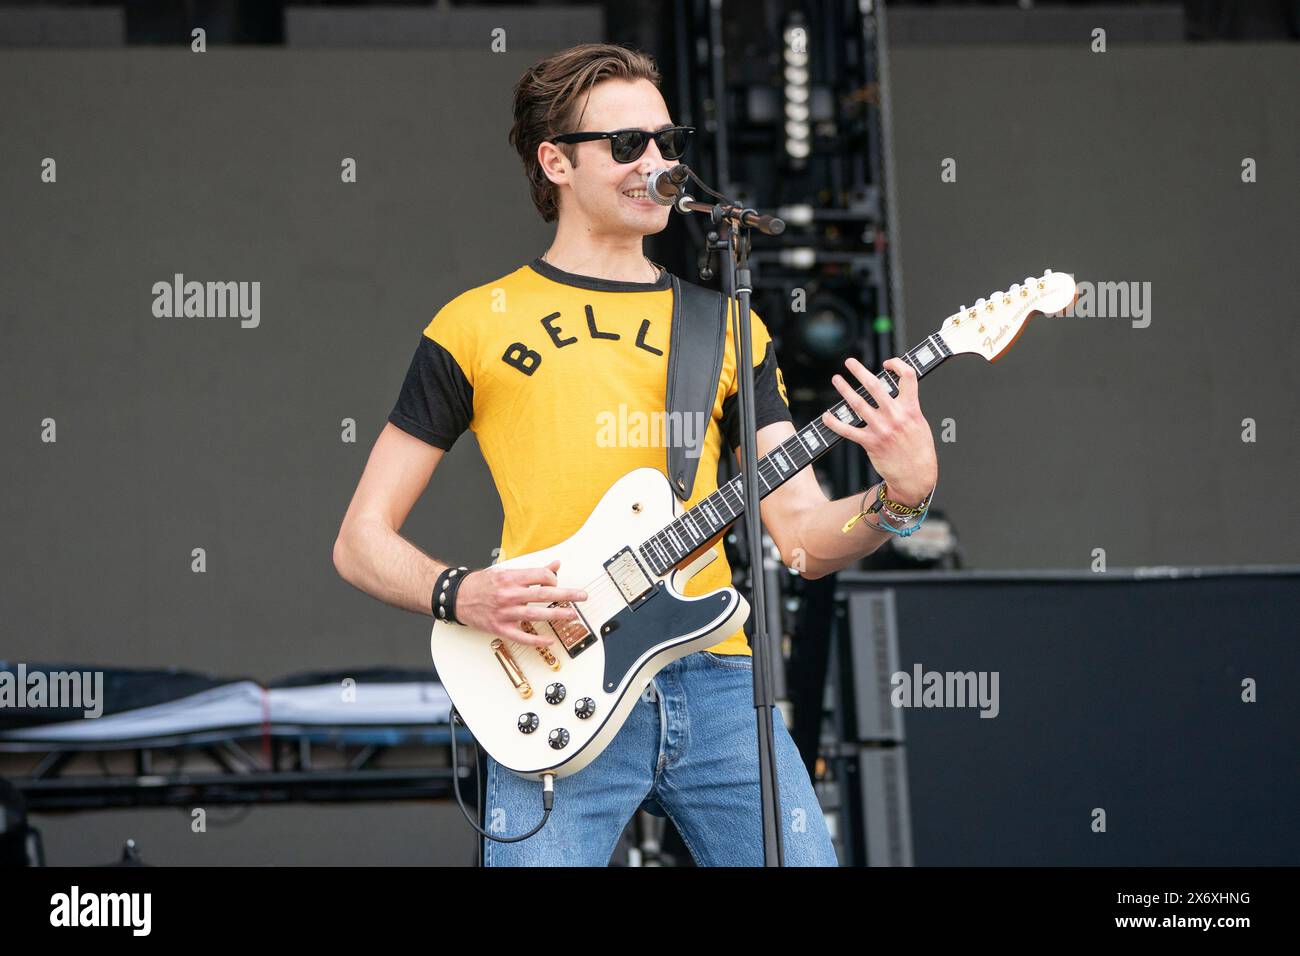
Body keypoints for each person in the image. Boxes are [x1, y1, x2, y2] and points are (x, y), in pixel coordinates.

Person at [332, 43, 939, 866]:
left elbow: (798, 538)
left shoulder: (728, 327)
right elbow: (361, 540)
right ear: (556, 162)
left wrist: (899, 498)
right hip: (551, 677)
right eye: (626, 145)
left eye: (665, 139)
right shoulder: (475, 324)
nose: (656, 161)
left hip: (718, 682)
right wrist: (462, 593)